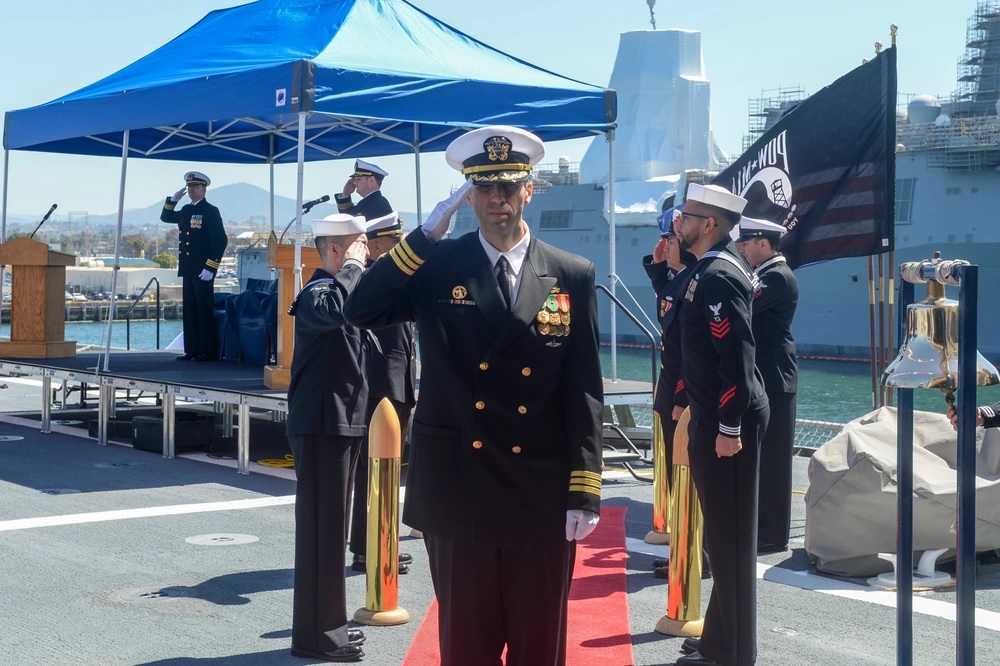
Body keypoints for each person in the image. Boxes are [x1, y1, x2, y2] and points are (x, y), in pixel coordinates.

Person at [344, 126, 604, 666]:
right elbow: (361, 308)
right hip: (461, 487)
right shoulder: (438, 265)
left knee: (539, 647)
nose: (497, 200)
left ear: (529, 190)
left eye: (509, 187)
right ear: (469, 196)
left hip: (541, 489)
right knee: (467, 647)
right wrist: (423, 237)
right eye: (484, 189)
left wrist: (585, 488)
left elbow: (584, 389)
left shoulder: (570, 274)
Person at [673, 183, 770, 666]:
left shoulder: (720, 276)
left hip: (727, 424)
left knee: (729, 542)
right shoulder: (704, 271)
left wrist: (729, 428)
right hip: (712, 417)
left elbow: (736, 357)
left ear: (708, 223)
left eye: (686, 215)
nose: (679, 222)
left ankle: (734, 653)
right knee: (720, 537)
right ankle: (718, 639)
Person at [286, 213, 370, 663]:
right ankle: (315, 637)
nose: (364, 256)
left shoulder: (344, 290)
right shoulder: (320, 290)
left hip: (340, 422)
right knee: (322, 533)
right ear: (336, 251)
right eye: (357, 248)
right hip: (321, 425)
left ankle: (328, 628)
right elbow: (333, 311)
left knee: (332, 532)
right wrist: (354, 270)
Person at [348, 212, 417, 574]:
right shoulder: (375, 279)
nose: (400, 248)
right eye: (394, 242)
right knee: (375, 471)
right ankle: (369, 549)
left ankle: (373, 545)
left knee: (382, 471)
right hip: (381, 386)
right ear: (374, 246)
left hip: (394, 384)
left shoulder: (392, 278)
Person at [737, 216, 799, 554]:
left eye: (747, 241)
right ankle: (760, 526)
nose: (742, 246)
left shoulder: (776, 277)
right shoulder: (763, 275)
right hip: (764, 375)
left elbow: (744, 305)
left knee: (774, 461)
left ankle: (773, 534)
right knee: (760, 457)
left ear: (764, 242)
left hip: (775, 378)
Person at [642, 208, 696, 580]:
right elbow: (666, 298)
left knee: (687, 481)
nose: (665, 246)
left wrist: (679, 399)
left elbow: (690, 350)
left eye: (672, 240)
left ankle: (691, 556)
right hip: (671, 390)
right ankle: (680, 548)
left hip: (683, 395)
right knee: (677, 483)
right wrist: (658, 264)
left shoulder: (695, 281)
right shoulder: (680, 280)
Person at [160, 171, 228, 361]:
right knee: (190, 311)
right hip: (189, 269)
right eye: (189, 186)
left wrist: (210, 267)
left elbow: (220, 241)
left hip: (203, 270)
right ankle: (192, 349)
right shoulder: (186, 211)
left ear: (204, 189)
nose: (191, 189)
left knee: (203, 310)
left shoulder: (210, 210)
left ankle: (206, 351)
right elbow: (166, 217)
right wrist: (172, 201)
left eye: (196, 186)